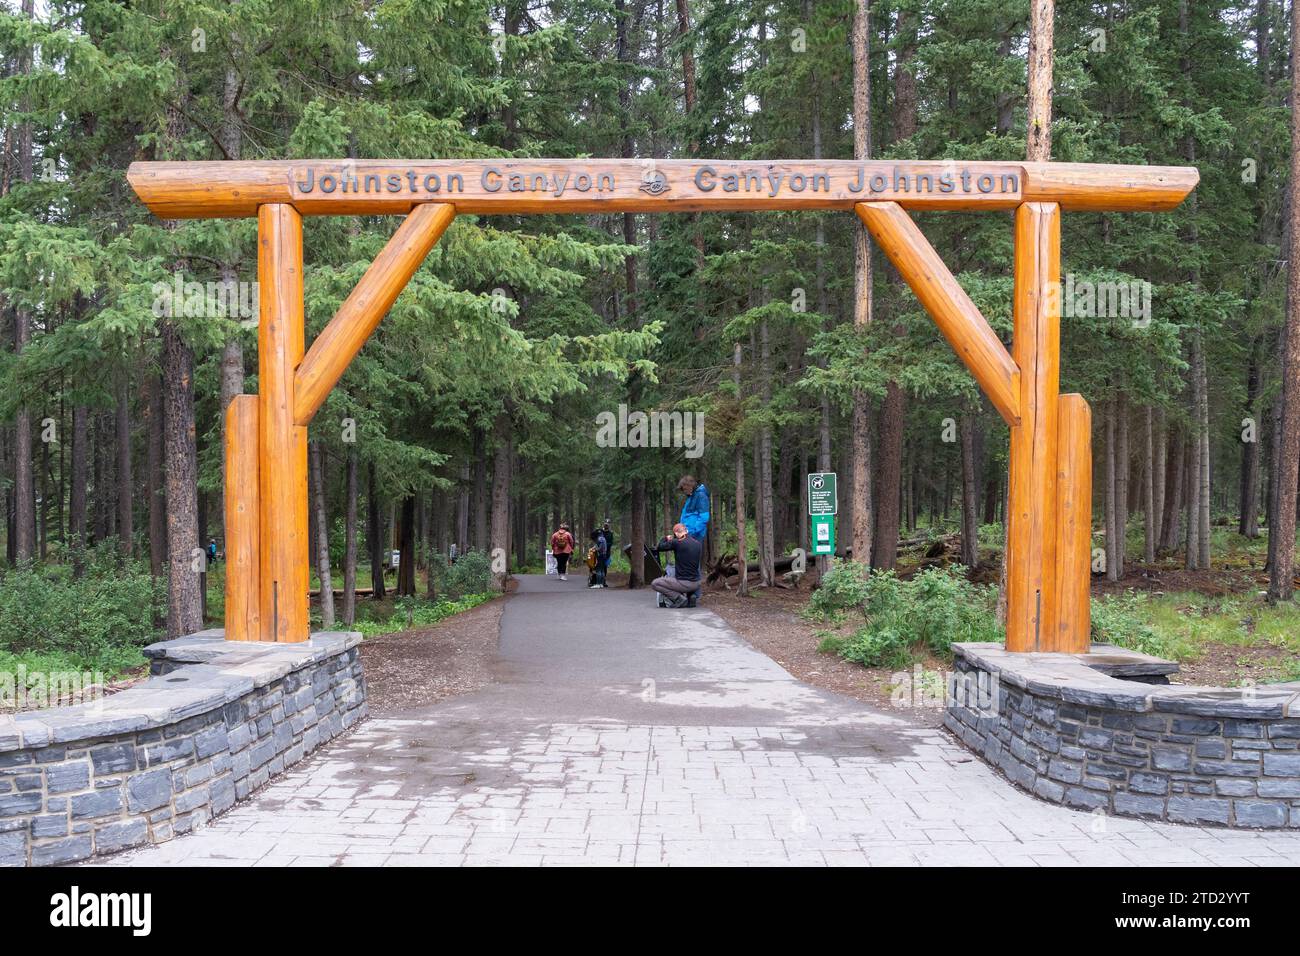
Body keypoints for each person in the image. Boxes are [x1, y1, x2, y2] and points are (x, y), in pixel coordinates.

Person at [652, 523, 703, 608]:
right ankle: (691, 596)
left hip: (684, 583)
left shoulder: (677, 543)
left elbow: (660, 547)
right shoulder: (697, 544)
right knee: (686, 571)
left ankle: (678, 598)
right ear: (686, 531)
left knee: (655, 583)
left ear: (676, 533)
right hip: (696, 583)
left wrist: (666, 538)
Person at [678, 475, 710, 541]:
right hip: (687, 534)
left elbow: (704, 517)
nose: (684, 491)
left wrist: (692, 532)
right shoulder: (691, 496)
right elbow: (686, 515)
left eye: (685, 489)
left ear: (691, 486)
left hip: (694, 535)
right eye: (683, 490)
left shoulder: (701, 495)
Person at [589, 520, 614, 588]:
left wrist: (599, 548)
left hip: (603, 553)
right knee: (601, 568)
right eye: (605, 524)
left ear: (609, 526)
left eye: (607, 524)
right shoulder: (600, 532)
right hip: (604, 553)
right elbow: (593, 536)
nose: (606, 525)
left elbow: (610, 543)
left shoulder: (609, 534)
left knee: (600, 568)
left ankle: (600, 583)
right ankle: (599, 582)